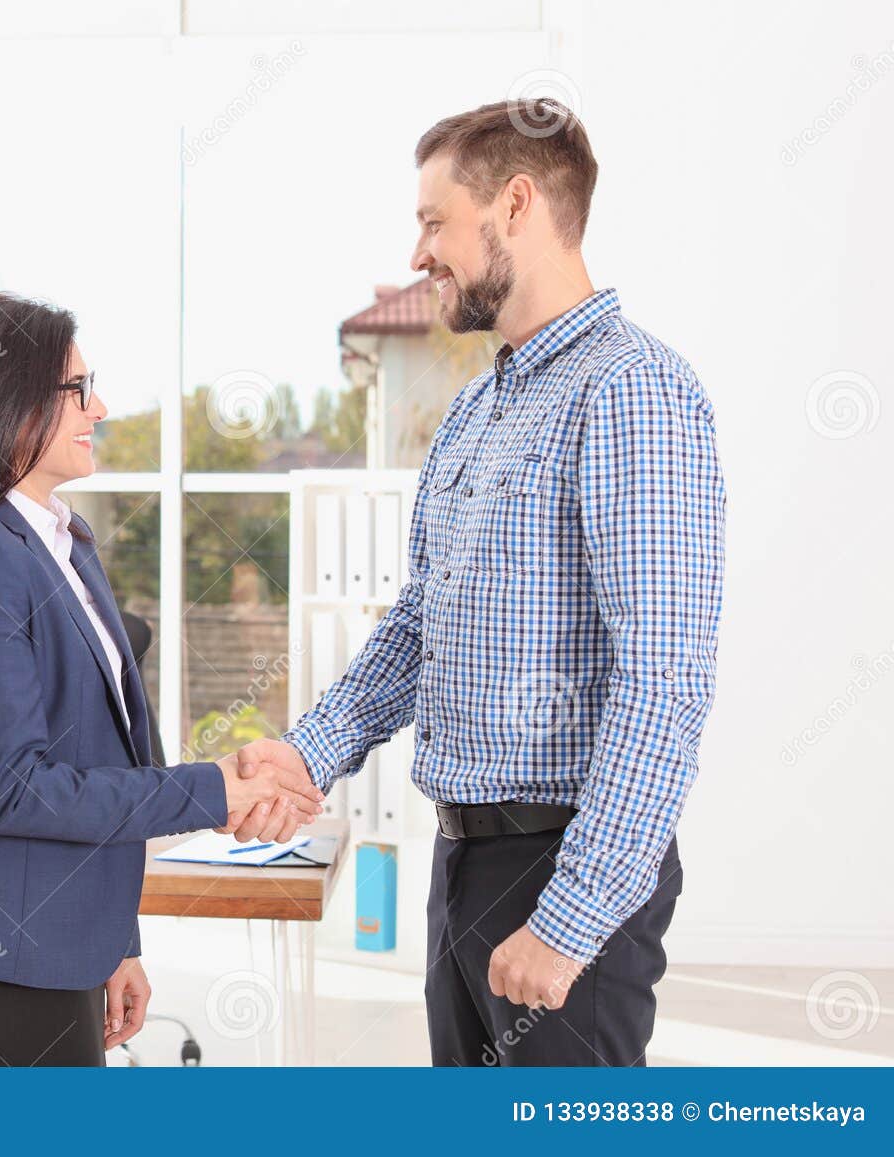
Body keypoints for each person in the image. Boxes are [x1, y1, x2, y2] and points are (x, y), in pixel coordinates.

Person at [229, 98, 726, 1066]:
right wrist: (309, 751)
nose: (420, 253)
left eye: (432, 221)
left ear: (516, 203)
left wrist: (573, 916)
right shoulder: (478, 405)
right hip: (464, 857)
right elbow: (422, 620)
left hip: (561, 865)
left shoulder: (632, 390)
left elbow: (663, 677)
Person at [0, 291, 324, 1067]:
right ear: (10, 401)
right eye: (79, 390)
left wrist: (115, 941)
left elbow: (110, 758)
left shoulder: (65, 540)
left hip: (61, 940)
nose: (103, 407)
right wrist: (215, 787)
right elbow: (15, 788)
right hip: (2, 952)